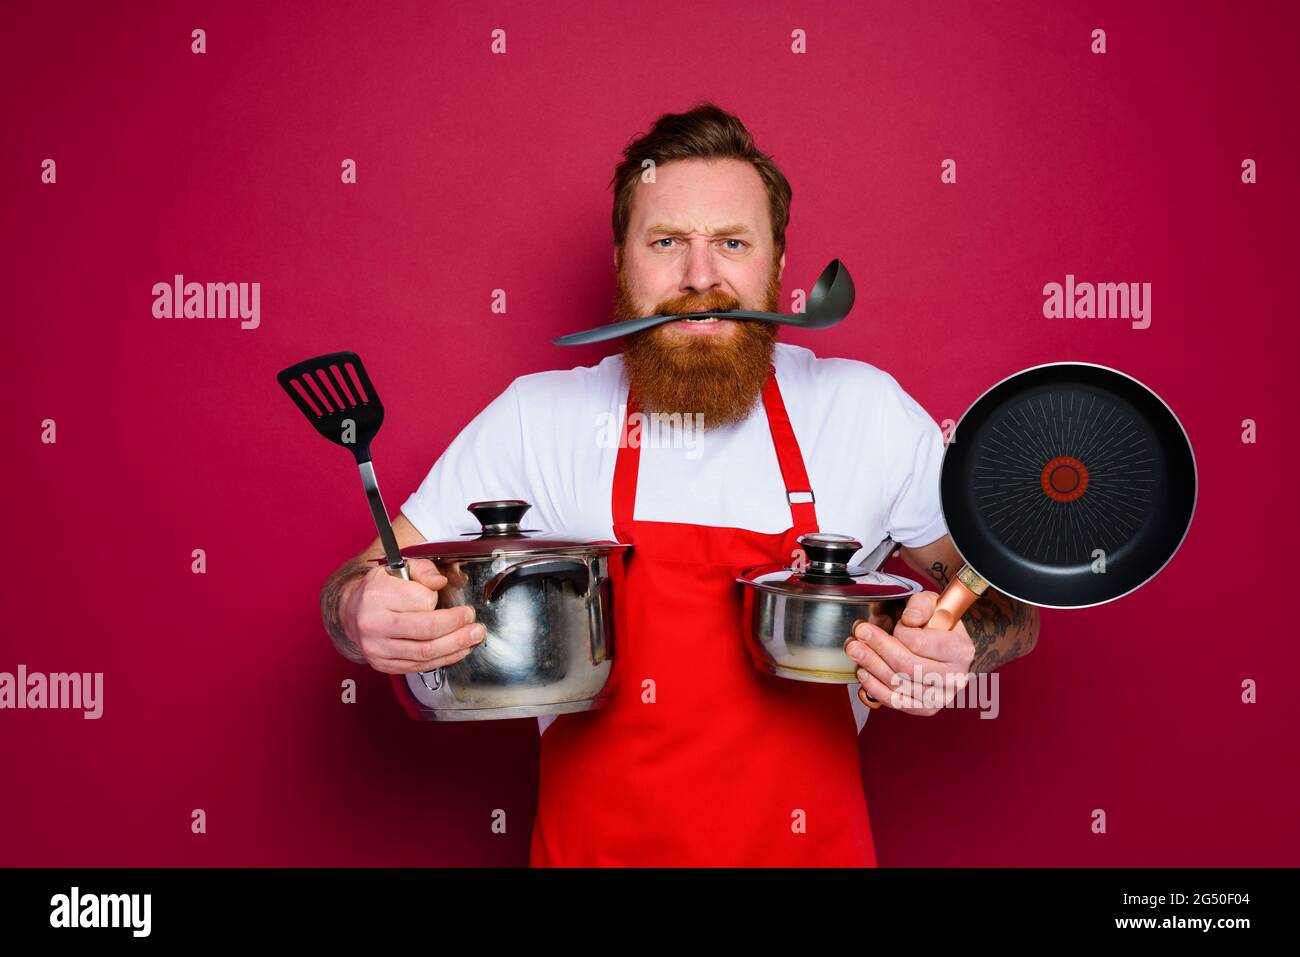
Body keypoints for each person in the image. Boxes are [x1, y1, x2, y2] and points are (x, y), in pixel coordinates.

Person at [319, 102, 1040, 867]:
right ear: (622, 260)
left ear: (777, 263)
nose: (701, 278)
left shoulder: (862, 410)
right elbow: (366, 577)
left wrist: (959, 644)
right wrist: (361, 609)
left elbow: (1004, 601)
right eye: (667, 242)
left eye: (731, 242)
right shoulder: (541, 417)